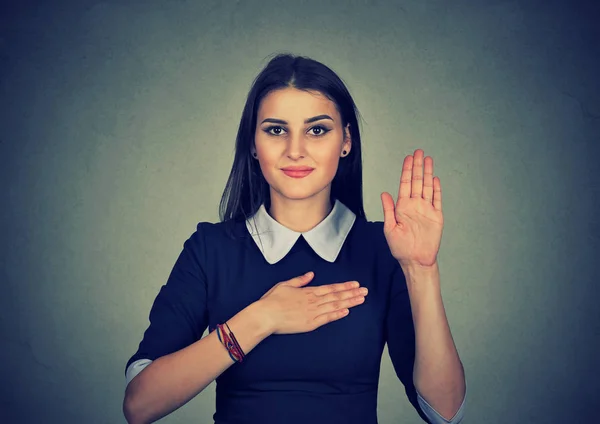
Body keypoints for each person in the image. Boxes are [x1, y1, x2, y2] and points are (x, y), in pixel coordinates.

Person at [122, 53, 467, 424]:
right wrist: (262, 318)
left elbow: (444, 413)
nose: (295, 150)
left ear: (346, 141)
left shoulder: (385, 249)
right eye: (275, 130)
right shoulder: (210, 249)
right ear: (253, 144)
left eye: (317, 130)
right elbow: (140, 404)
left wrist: (421, 270)